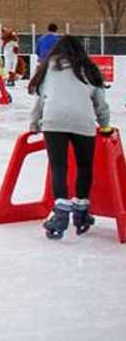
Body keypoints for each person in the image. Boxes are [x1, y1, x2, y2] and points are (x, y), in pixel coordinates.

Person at [28, 35, 112, 240]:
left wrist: (34, 123)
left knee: (59, 167)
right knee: (84, 166)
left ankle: (61, 212)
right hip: (83, 121)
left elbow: (41, 98)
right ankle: (81, 210)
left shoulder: (50, 67)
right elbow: (100, 101)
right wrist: (104, 125)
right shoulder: (89, 68)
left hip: (53, 121)